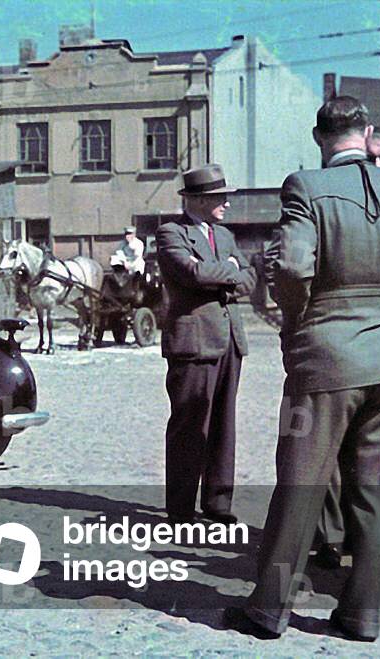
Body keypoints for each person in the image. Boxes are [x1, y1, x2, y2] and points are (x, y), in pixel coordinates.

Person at [226, 96, 380, 641]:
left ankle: (269, 609)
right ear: (368, 131)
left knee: (301, 483)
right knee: (376, 488)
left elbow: (295, 265)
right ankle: (363, 615)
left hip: (326, 360)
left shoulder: (306, 186)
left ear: (317, 136)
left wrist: (298, 324)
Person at [311, 123, 380, 570]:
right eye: (375, 156)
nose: (379, 164)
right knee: (330, 457)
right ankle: (330, 537)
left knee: (370, 465)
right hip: (334, 347)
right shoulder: (331, 197)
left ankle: (358, 545)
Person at [156, 164, 254, 525]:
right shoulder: (170, 233)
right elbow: (192, 274)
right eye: (218, 197)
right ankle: (180, 510)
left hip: (230, 340)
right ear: (196, 200)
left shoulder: (225, 237)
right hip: (193, 344)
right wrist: (227, 271)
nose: (226, 203)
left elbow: (251, 279)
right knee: (189, 425)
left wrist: (220, 272)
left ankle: (218, 503)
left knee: (223, 424)